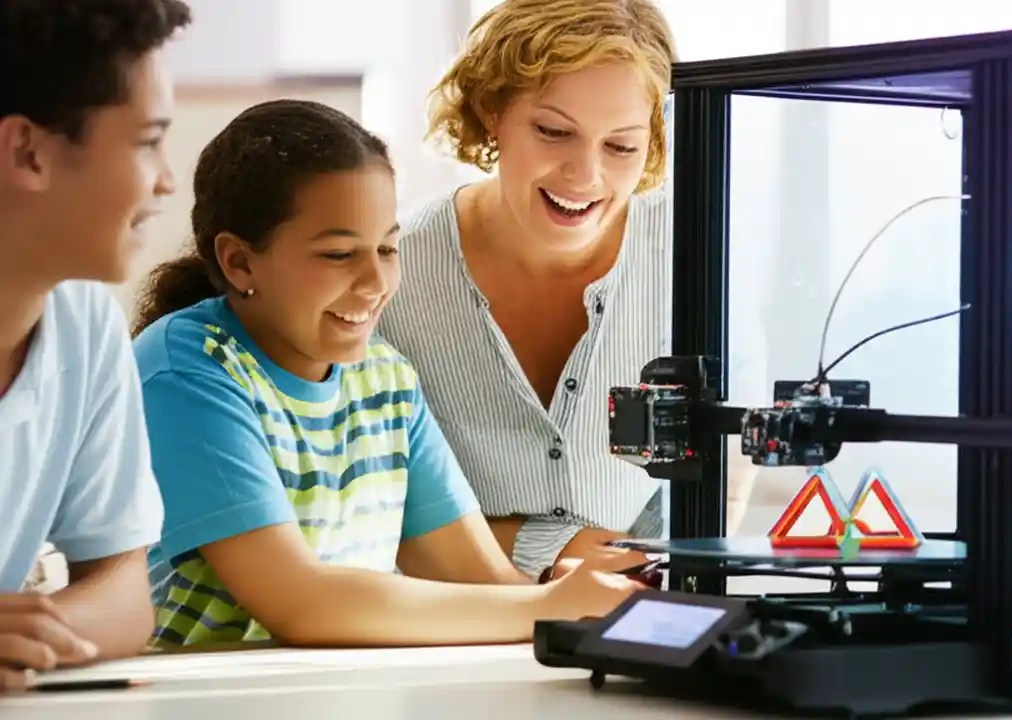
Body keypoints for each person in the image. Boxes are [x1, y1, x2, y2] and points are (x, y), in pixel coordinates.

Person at [131, 99, 642, 649]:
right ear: (238, 262)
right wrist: (545, 605)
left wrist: (562, 601)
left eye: (386, 248)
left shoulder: (385, 380)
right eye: (337, 254)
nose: (375, 282)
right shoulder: (190, 366)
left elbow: (484, 581)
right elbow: (301, 603)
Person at [378, 0, 764, 582]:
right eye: (554, 132)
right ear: (491, 111)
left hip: (627, 624)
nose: (584, 176)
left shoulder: (698, 257)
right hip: (442, 635)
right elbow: (370, 515)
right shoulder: (392, 274)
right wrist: (557, 550)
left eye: (621, 146)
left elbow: (715, 501)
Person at [0, 0, 189, 690]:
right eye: (147, 142)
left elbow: (123, 593)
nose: (168, 179)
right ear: (27, 150)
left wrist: (30, 637)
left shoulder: (83, 322)